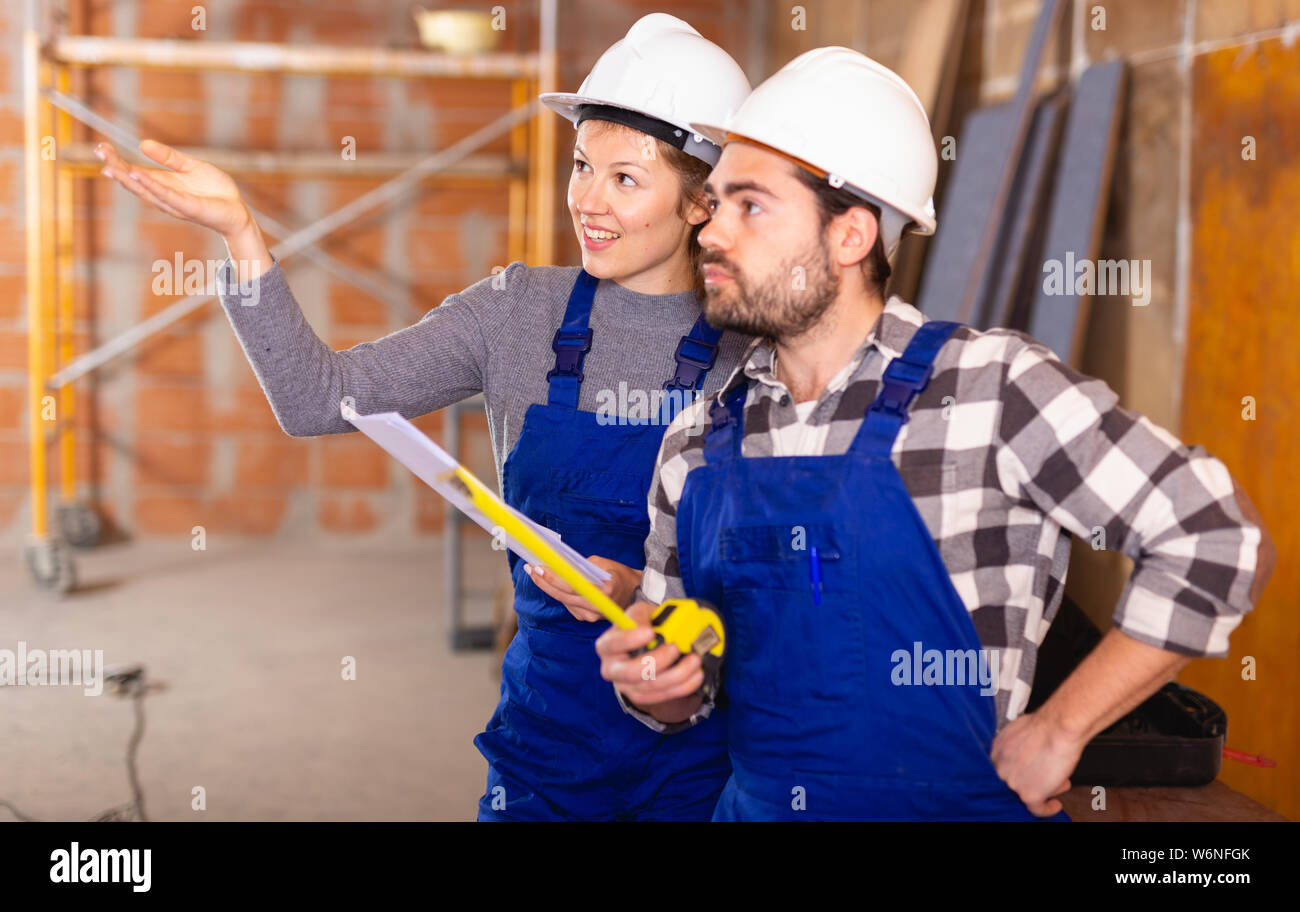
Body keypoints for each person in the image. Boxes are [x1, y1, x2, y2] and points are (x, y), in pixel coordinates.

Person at [94, 14, 753, 821]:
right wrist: (241, 235)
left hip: (703, 752)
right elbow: (315, 397)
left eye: (625, 179)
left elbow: (776, 579)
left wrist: (651, 600)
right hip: (548, 735)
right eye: (581, 165)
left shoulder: (751, 352)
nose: (586, 200)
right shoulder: (516, 313)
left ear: (699, 203)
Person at [595, 47, 1275, 821]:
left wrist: (1061, 727)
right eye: (714, 203)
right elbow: (687, 680)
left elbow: (1215, 538)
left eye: (750, 206)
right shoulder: (697, 442)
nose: (712, 232)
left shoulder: (991, 393)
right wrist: (657, 680)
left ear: (850, 236)